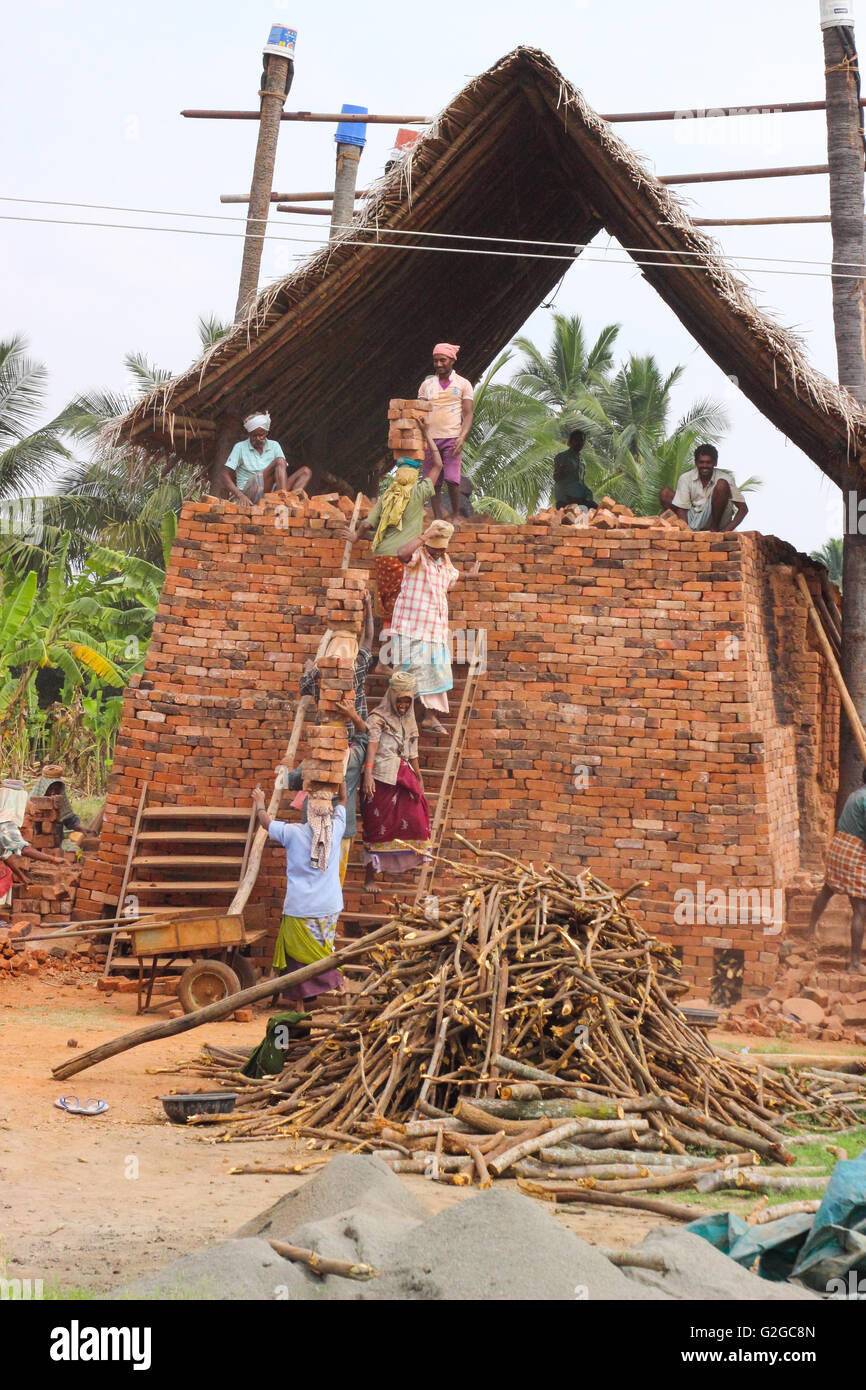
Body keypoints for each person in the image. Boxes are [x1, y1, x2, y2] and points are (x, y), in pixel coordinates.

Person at [284, 591, 374, 882]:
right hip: (316, 827)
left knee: (327, 880)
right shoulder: (320, 758)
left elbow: (365, 735)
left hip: (335, 830)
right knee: (318, 878)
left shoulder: (356, 668)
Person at [252, 780, 346, 1006]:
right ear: (329, 811)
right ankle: (339, 986)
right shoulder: (336, 828)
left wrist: (260, 803)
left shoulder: (293, 832)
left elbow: (265, 823)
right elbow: (343, 800)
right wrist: (340, 779)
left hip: (300, 907)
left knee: (297, 955)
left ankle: (300, 1003)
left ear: (307, 811)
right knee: (325, 948)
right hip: (329, 906)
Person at [389, 519, 480, 735]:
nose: (438, 553)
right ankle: (399, 720)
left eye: (442, 550)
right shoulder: (418, 554)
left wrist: (470, 576)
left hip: (435, 630)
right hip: (411, 627)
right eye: (435, 549)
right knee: (409, 676)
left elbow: (453, 576)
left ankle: (430, 717)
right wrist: (424, 535)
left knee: (437, 673)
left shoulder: (445, 561)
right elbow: (401, 554)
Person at [340, 450, 442, 635]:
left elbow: (366, 524)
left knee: (389, 604)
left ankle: (389, 645)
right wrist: (428, 436)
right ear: (413, 477)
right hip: (403, 557)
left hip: (383, 557)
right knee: (405, 603)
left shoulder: (386, 497)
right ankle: (398, 649)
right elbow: (438, 466)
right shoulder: (418, 493)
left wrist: (355, 537)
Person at [360, 671, 431, 888]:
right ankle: (369, 878)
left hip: (403, 775)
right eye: (400, 700)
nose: (403, 705)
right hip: (380, 778)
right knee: (375, 828)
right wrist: (368, 775)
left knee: (418, 818)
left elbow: (413, 752)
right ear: (392, 697)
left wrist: (419, 777)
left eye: (407, 701)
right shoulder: (377, 718)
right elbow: (372, 746)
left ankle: (411, 860)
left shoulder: (409, 719)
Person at [808, 769, 866, 973]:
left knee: (827, 891)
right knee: (860, 908)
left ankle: (809, 932)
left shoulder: (855, 795)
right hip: (854, 851)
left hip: (838, 846)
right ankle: (855, 964)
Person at [418, 343, 474, 523]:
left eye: (443, 360)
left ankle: (456, 515)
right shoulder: (426, 385)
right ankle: (437, 517)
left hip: (452, 437)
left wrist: (462, 436)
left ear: (452, 360)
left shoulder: (463, 384)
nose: (439, 364)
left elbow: (468, 413)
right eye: (436, 361)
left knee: (452, 479)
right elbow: (419, 411)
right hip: (430, 438)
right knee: (432, 482)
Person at [222, 411, 312, 508]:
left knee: (306, 472)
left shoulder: (274, 445)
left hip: (271, 493)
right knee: (279, 461)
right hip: (250, 493)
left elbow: (281, 471)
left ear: (266, 433)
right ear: (249, 433)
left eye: (261, 435)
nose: (257, 438)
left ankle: (289, 501)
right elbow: (224, 474)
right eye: (253, 435)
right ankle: (283, 500)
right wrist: (240, 495)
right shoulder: (240, 447)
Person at [660, 444, 748, 533]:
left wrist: (727, 531)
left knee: (722, 484)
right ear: (696, 463)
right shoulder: (686, 478)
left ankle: (714, 529)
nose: (704, 466)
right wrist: (686, 531)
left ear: (715, 463)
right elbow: (681, 508)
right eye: (701, 462)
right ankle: (684, 529)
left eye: (708, 462)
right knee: (665, 493)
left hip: (718, 521)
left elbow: (743, 509)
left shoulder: (727, 478)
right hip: (694, 518)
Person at [553, 430, 597, 511]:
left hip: (579, 498)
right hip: (564, 498)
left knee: (595, 507)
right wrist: (561, 470)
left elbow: (581, 482)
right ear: (570, 441)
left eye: (582, 440)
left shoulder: (582, 461)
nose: (579, 443)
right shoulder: (562, 456)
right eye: (576, 440)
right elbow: (556, 477)